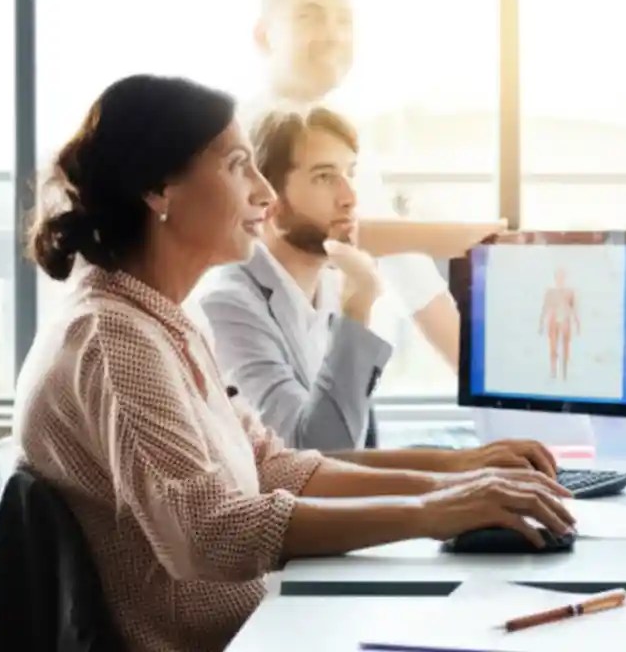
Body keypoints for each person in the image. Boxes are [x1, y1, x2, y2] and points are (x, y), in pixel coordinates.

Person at [14, 74, 574, 652]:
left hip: (263, 625)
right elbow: (206, 535)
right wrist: (433, 509)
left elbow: (270, 465)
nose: (264, 192)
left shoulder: (162, 317)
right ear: (158, 189)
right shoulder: (115, 339)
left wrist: (456, 478)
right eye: (238, 166)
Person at [197, 106, 552, 471]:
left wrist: (470, 465)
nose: (349, 197)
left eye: (350, 174)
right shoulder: (229, 307)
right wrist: (357, 309)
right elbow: (315, 460)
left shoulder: (329, 284)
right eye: (324, 177)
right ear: (268, 196)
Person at [247, 0, 493, 371]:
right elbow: (326, 233)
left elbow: (415, 281)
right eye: (310, 16)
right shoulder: (234, 141)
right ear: (264, 35)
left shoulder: (344, 152)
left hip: (331, 375)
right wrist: (467, 237)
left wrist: (489, 381)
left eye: (344, 20)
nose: (333, 35)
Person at [538, 266, 580, 381]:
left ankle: (564, 372)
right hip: (553, 320)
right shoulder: (550, 292)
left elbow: (574, 308)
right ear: (555, 278)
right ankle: (553, 371)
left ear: (564, 278)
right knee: (553, 346)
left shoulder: (569, 292)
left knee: (566, 346)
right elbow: (545, 308)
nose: (560, 279)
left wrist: (577, 323)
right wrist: (541, 323)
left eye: (562, 276)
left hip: (565, 320)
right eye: (558, 276)